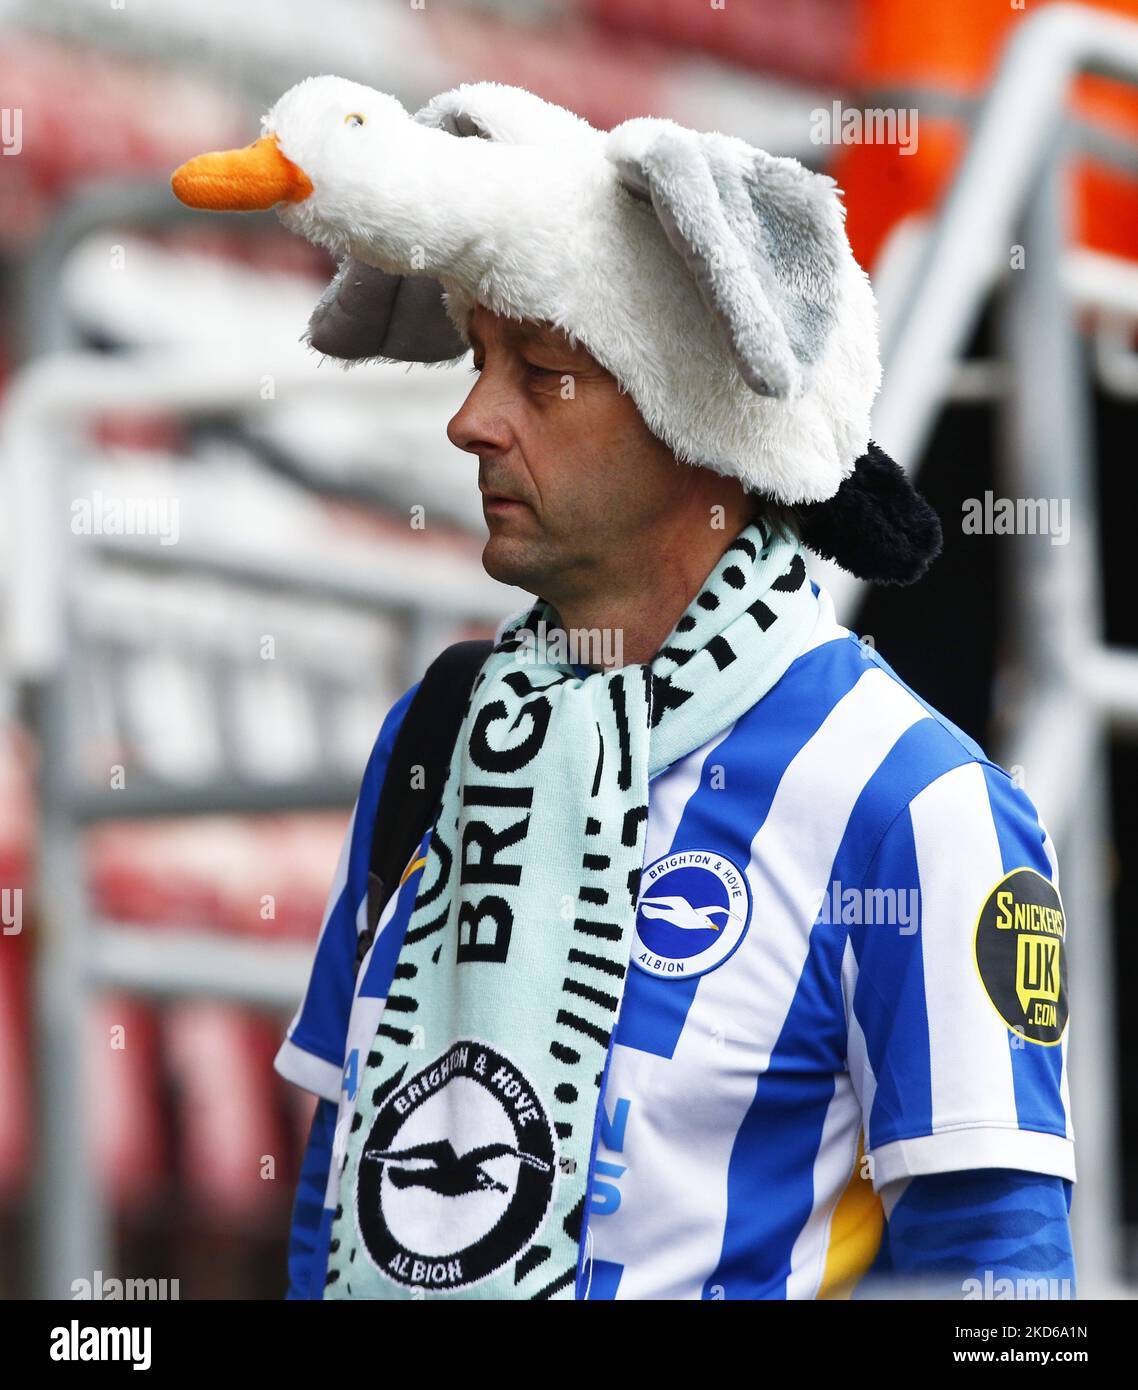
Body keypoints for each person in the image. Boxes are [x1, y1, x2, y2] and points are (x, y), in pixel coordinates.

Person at [172, 77, 1074, 1300]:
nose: (470, 420)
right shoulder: (439, 734)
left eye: (538, 370)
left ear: (692, 414)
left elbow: (998, 1283)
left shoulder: (914, 802)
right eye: (479, 358)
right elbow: (340, 1197)